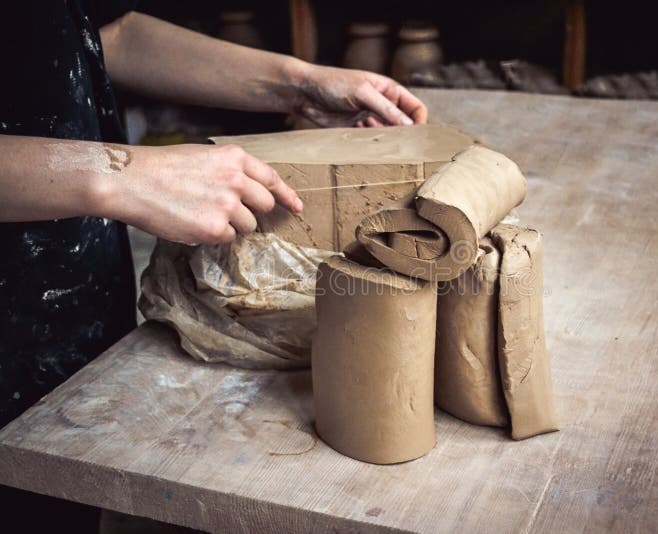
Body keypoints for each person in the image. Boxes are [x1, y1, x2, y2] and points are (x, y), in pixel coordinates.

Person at [0, 3, 427, 531]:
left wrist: (297, 83)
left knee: (73, 493)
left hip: (69, 299)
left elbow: (102, 31)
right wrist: (121, 176)